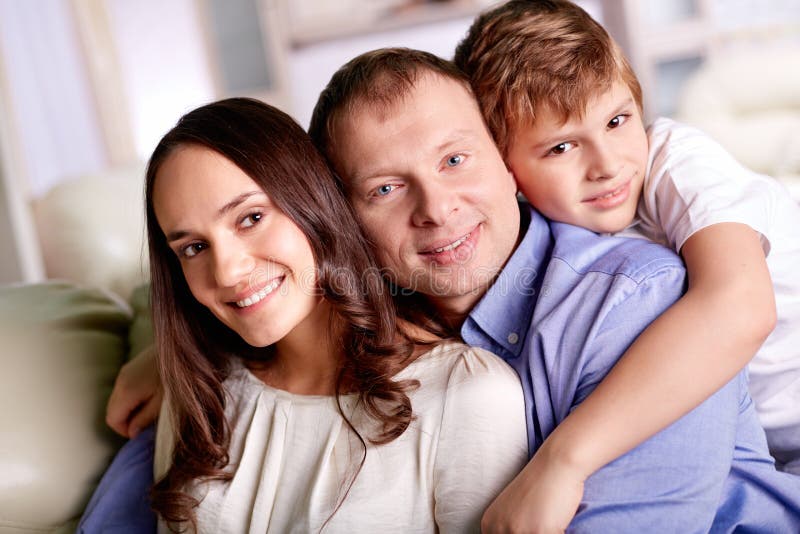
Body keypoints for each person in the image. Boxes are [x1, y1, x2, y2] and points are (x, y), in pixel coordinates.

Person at [101, 49, 800, 532]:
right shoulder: (371, 302)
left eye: (456, 160)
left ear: (507, 159)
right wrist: (172, 345)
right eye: (385, 188)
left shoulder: (633, 300)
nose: (435, 209)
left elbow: (737, 305)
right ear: (338, 215)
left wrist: (564, 459)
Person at [80, 97, 528, 532]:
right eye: (194, 248)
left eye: (251, 218)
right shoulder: (197, 396)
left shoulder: (468, 395)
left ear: (314, 202)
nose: (227, 270)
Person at [453, 0, 800, 528]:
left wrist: (562, 462)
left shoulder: (675, 164)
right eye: (562, 147)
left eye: (617, 120)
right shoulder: (546, 244)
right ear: (504, 168)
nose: (609, 164)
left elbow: (741, 310)